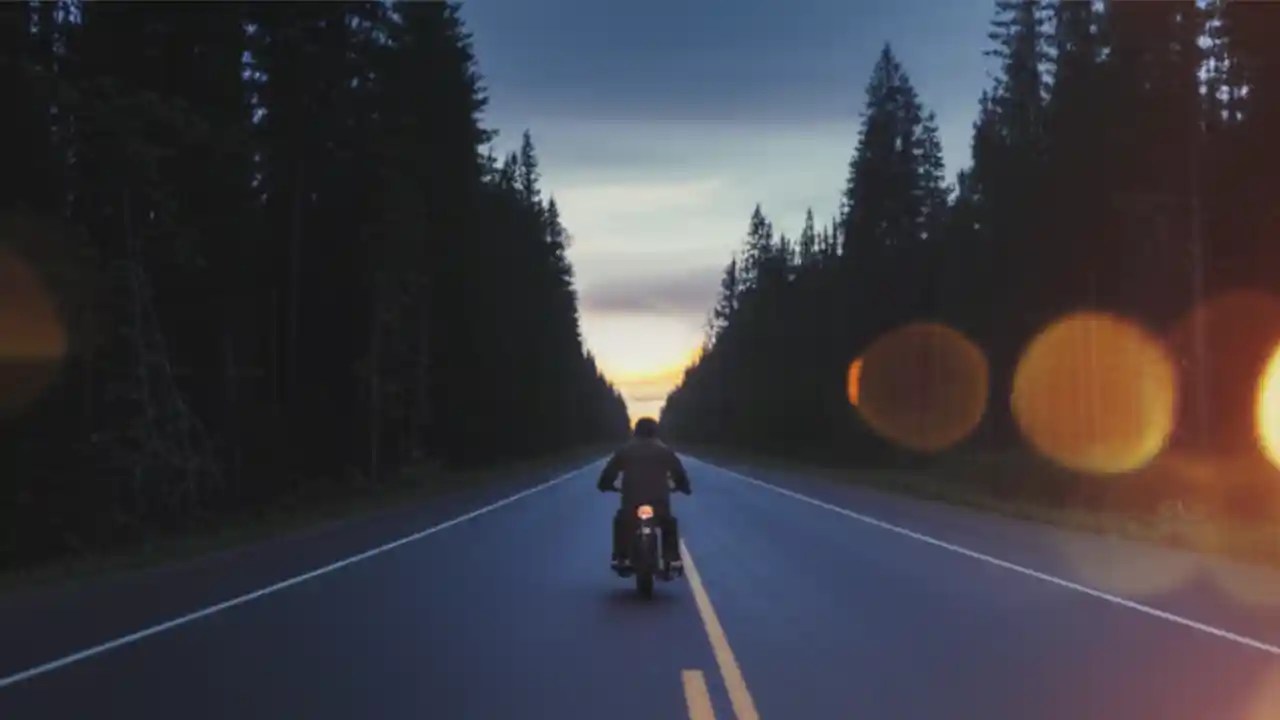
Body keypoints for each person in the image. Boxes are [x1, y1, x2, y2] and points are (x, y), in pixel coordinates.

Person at [597, 417, 691, 572]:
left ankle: (621, 557)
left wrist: (605, 485)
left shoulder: (625, 450)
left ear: (636, 431)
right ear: (655, 432)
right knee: (669, 523)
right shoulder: (664, 450)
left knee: (621, 522)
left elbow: (609, 472)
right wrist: (683, 487)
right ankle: (671, 557)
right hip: (659, 501)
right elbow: (679, 473)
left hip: (631, 501)